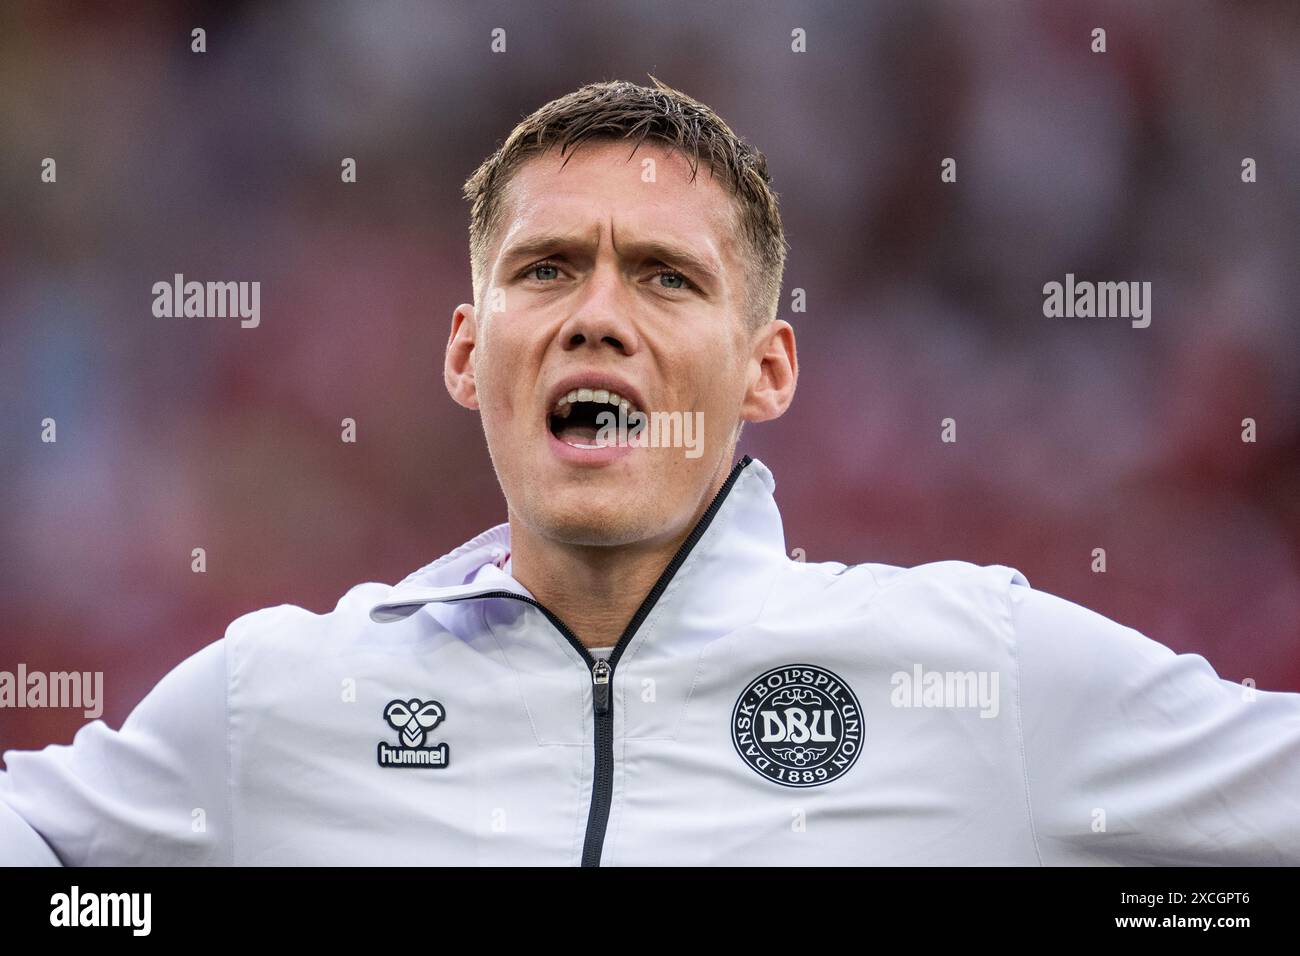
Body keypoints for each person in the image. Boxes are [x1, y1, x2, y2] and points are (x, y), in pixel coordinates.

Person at [3, 78, 1298, 866]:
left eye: (668, 278)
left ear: (766, 370)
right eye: (547, 269)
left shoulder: (979, 671)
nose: (597, 316)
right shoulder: (279, 702)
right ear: (467, 354)